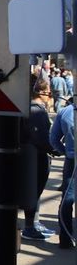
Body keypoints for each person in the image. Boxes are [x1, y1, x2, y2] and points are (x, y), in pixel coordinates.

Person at [19, 79, 56, 241]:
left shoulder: (30, 108)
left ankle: (33, 223)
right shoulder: (37, 111)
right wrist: (56, 150)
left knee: (33, 190)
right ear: (44, 92)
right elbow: (41, 138)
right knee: (34, 190)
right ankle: (30, 226)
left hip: (30, 156)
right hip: (36, 157)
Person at [50, 96, 74, 249]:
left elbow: (53, 139)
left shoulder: (65, 111)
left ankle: (65, 238)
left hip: (72, 161)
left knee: (67, 200)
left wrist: (65, 151)